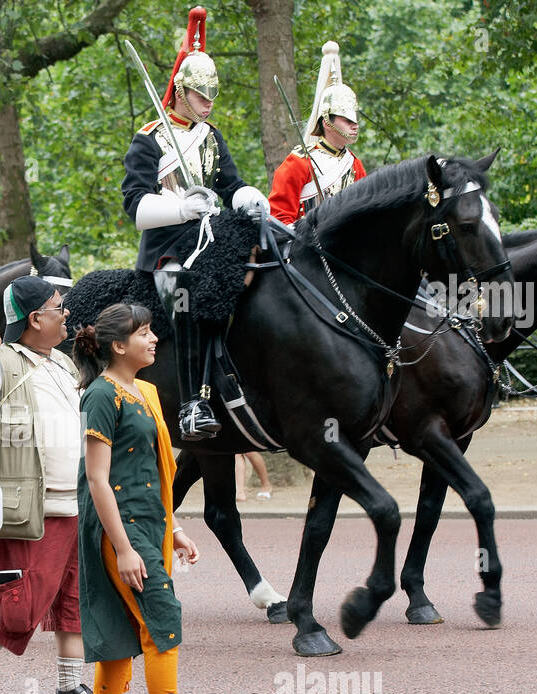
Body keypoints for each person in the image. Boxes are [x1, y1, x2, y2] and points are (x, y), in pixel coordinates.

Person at [75, 303, 217, 694]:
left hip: (151, 526)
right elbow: (97, 478)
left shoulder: (148, 391)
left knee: (121, 633)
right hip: (123, 530)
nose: (154, 339)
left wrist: (173, 528)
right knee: (163, 625)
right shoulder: (102, 394)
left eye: (153, 331)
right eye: (144, 333)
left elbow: (154, 470)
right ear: (119, 346)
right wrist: (124, 548)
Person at [121, 7, 268, 442]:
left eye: (212, 96)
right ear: (181, 92)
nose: (208, 103)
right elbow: (135, 206)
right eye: (201, 95)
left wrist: (250, 198)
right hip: (168, 247)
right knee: (185, 296)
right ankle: (190, 404)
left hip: (212, 238)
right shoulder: (150, 137)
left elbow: (232, 184)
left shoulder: (211, 136)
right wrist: (183, 208)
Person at [0, 275, 91, 694]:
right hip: (23, 507)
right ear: (34, 318)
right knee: (21, 604)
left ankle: (69, 686)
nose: (65, 313)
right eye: (57, 307)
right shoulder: (1, 363)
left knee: (72, 595)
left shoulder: (63, 364)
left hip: (74, 502)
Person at [268, 42, 367, 225]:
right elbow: (279, 218)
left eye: (355, 120)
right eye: (347, 120)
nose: (354, 126)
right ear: (327, 122)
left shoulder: (355, 165)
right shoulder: (299, 161)